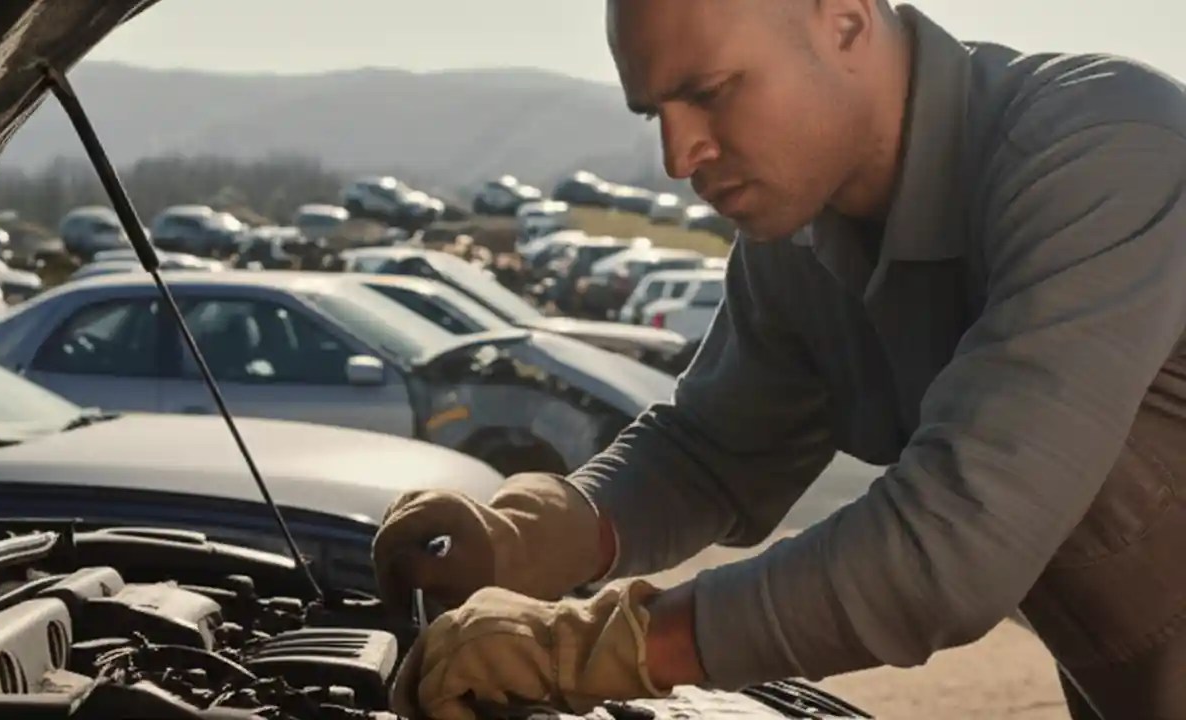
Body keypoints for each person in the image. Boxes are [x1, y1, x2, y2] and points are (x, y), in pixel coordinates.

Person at [372, 1, 1186, 718]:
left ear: (846, 21)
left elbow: (955, 541)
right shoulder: (800, 231)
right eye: (655, 111)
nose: (678, 156)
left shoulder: (1106, 149)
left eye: (710, 91)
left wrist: (600, 648)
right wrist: (533, 535)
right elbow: (714, 453)